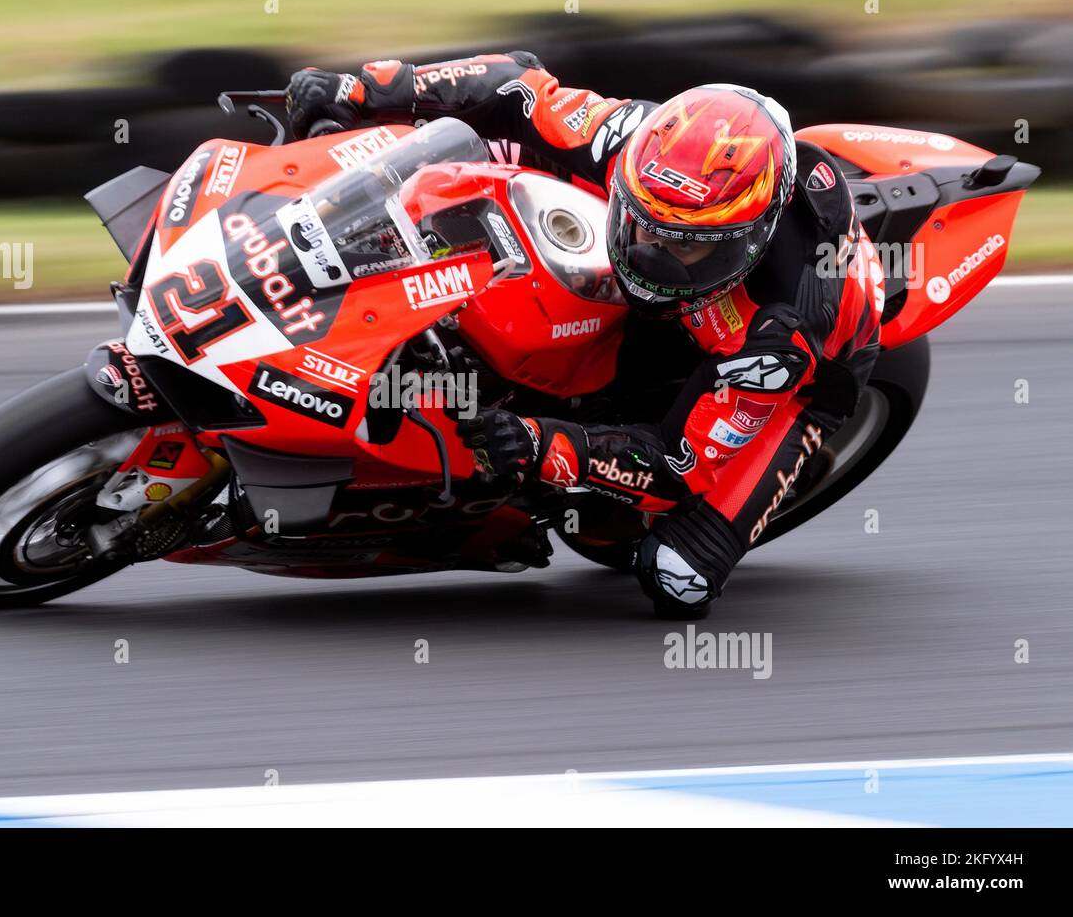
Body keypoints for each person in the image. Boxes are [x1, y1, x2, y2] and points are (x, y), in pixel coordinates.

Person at [285, 52, 884, 618]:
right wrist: (362, 89)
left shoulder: (775, 340)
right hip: (690, 305)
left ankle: (767, 473)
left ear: (745, 244)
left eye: (684, 246)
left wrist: (540, 443)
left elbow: (678, 465)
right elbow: (516, 83)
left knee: (677, 577)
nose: (651, 254)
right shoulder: (632, 140)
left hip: (808, 383)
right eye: (644, 226)